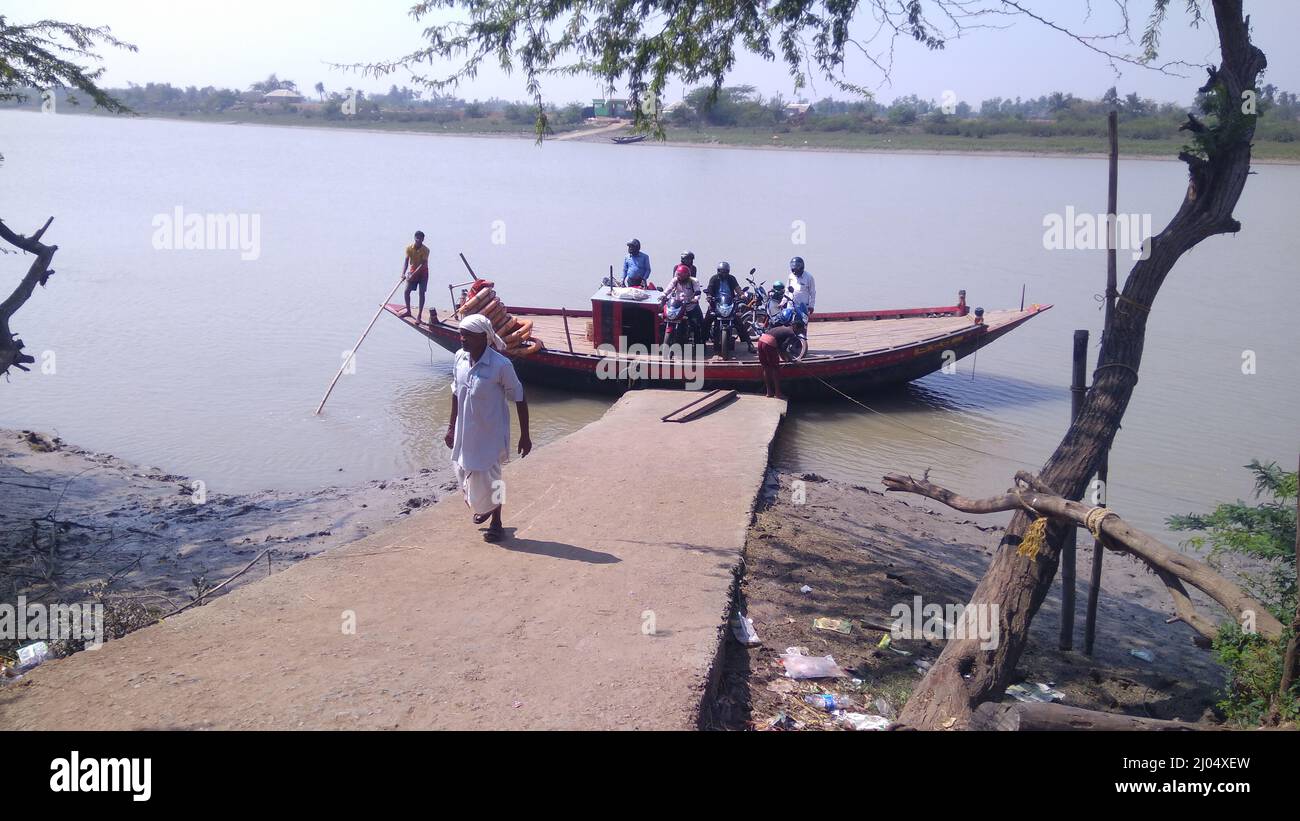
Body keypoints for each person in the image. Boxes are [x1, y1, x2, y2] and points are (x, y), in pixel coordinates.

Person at [444, 314, 532, 543]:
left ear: (484, 338)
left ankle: (497, 522)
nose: (463, 339)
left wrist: (525, 435)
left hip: (491, 432)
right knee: (463, 471)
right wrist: (451, 427)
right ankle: (483, 507)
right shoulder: (459, 359)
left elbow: (519, 397)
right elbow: (455, 393)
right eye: (461, 334)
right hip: (465, 430)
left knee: (494, 478)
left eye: (469, 336)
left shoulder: (501, 365)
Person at [704, 261, 754, 356]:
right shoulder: (714, 279)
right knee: (706, 321)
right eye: (721, 271)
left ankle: (749, 344)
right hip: (716, 303)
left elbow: (737, 288)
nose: (723, 273)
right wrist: (709, 296)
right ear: (718, 271)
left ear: (728, 271)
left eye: (725, 271)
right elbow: (709, 289)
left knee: (739, 322)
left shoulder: (731, 278)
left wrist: (742, 295)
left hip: (729, 302)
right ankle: (702, 343)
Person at [662, 263, 705, 345]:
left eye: (682, 275)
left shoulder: (694, 281)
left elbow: (697, 292)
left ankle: (699, 346)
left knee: (697, 325)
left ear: (687, 275)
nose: (680, 277)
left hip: (690, 305)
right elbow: (669, 288)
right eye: (678, 275)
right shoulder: (675, 280)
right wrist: (663, 295)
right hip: (678, 305)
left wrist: (695, 299)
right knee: (664, 319)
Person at [757, 325, 797, 399]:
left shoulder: (783, 328)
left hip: (761, 341)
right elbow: (783, 348)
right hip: (769, 343)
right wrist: (790, 359)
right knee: (775, 369)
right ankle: (778, 393)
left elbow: (779, 346)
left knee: (766, 367)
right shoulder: (792, 333)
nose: (799, 332)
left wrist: (784, 358)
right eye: (800, 330)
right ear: (796, 328)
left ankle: (769, 392)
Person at [402, 230, 431, 324]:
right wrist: (403, 273)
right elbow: (406, 261)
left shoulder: (426, 250)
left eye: (420, 238)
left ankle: (419, 316)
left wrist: (413, 275)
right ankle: (408, 311)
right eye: (417, 237)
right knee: (406, 291)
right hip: (412, 270)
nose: (418, 239)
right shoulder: (409, 248)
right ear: (414, 238)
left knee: (421, 293)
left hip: (423, 273)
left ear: (423, 239)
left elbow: (422, 264)